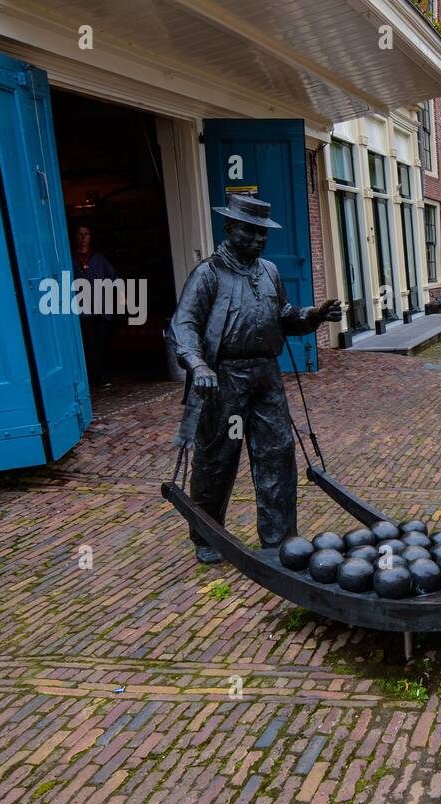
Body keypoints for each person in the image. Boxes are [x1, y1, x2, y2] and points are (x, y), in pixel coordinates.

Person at [168, 193, 342, 565]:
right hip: (224, 380)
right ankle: (207, 535)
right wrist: (197, 366)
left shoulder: (269, 271)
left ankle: (279, 540)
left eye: (263, 234)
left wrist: (313, 315)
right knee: (218, 459)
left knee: (277, 455)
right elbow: (183, 325)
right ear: (230, 229)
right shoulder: (208, 274)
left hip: (266, 378)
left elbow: (284, 315)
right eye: (251, 232)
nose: (259, 240)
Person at [72, 223, 119, 387]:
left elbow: (114, 278)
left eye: (86, 234)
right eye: (80, 234)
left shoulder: (99, 258)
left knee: (101, 345)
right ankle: (96, 378)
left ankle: (103, 375)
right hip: (83, 311)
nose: (83, 238)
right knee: (89, 346)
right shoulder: (70, 259)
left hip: (101, 308)